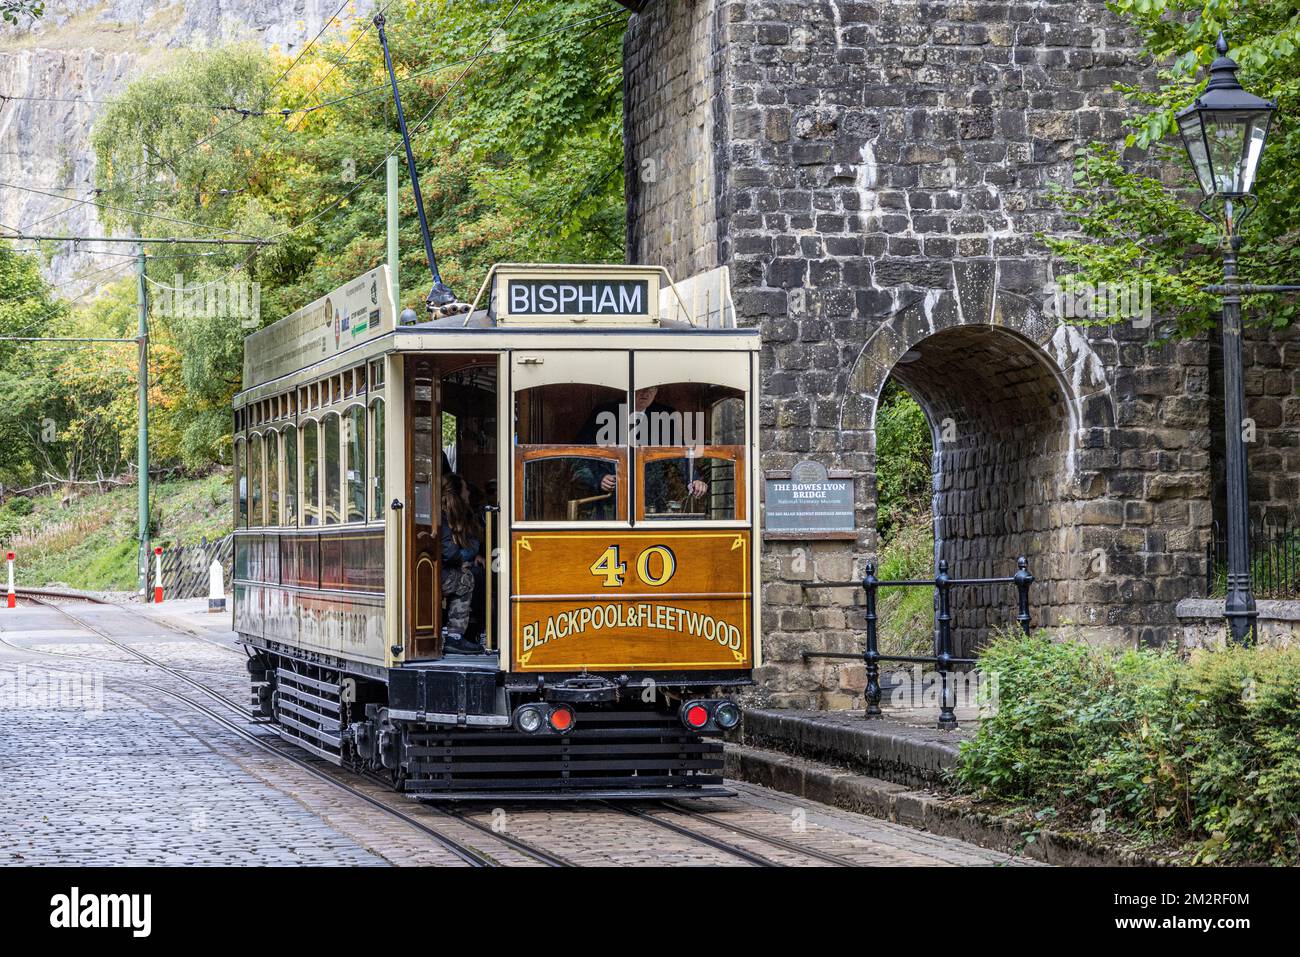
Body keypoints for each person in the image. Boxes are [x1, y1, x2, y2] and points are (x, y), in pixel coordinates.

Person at [571, 386, 708, 518]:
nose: (646, 393)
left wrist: (693, 479)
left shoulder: (664, 415)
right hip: (609, 501)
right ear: (629, 387)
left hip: (650, 500)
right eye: (641, 388)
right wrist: (598, 478)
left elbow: (678, 453)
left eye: (651, 388)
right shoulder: (604, 413)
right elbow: (579, 453)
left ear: (656, 391)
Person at [439, 473, 484, 654]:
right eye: (465, 490)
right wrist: (470, 553)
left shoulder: (442, 512)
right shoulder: (443, 516)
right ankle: (454, 637)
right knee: (467, 579)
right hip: (439, 575)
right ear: (458, 494)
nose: (468, 493)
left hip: (435, 573)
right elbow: (450, 554)